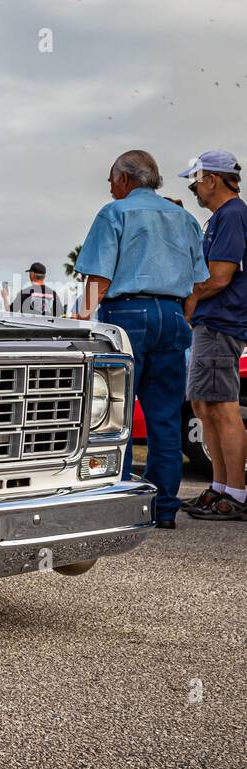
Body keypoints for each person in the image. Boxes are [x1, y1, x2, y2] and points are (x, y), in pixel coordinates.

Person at [75, 149, 209, 529]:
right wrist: (177, 317)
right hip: (171, 315)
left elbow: (97, 281)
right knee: (165, 417)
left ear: (124, 178)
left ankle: (114, 505)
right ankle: (164, 509)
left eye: (110, 178)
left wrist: (78, 323)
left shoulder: (114, 213)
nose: (109, 185)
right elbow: (197, 283)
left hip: (127, 314)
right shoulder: (185, 218)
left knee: (111, 414)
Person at [178, 149, 247, 520]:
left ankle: (235, 493)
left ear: (213, 179)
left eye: (196, 180)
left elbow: (219, 278)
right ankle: (220, 488)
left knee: (223, 408)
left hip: (222, 322)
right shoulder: (222, 217)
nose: (194, 188)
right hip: (212, 323)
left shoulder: (233, 215)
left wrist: (189, 298)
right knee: (205, 407)